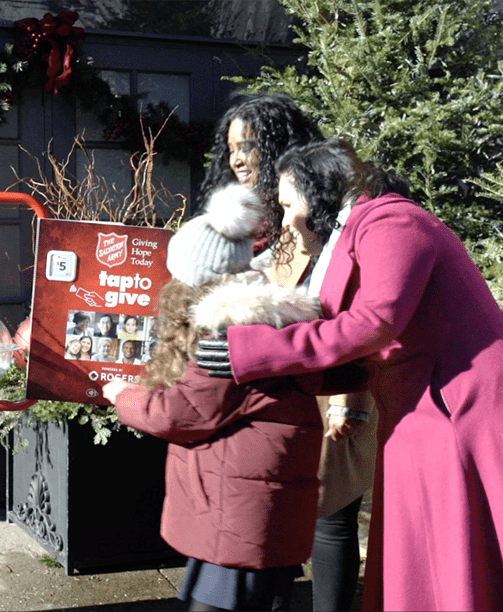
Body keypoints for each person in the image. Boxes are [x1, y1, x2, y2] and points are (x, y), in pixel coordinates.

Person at [197, 139, 503, 611]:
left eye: (290, 205)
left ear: (321, 192)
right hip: (429, 413)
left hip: (467, 413)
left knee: (461, 563)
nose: (287, 220)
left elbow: (373, 323)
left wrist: (259, 351)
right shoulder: (363, 230)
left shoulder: (393, 222)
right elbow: (364, 351)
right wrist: (273, 368)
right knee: (437, 564)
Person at [103, 184, 348, 611]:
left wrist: (122, 396)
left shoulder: (225, 331)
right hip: (251, 500)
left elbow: (180, 413)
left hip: (237, 509)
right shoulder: (265, 318)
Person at [202, 91, 374, 611]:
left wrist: (352, 399)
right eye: (231, 147)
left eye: (249, 145)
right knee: (277, 511)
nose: (237, 158)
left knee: (330, 513)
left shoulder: (318, 208)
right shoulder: (240, 215)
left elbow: (357, 310)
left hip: (332, 381)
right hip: (272, 380)